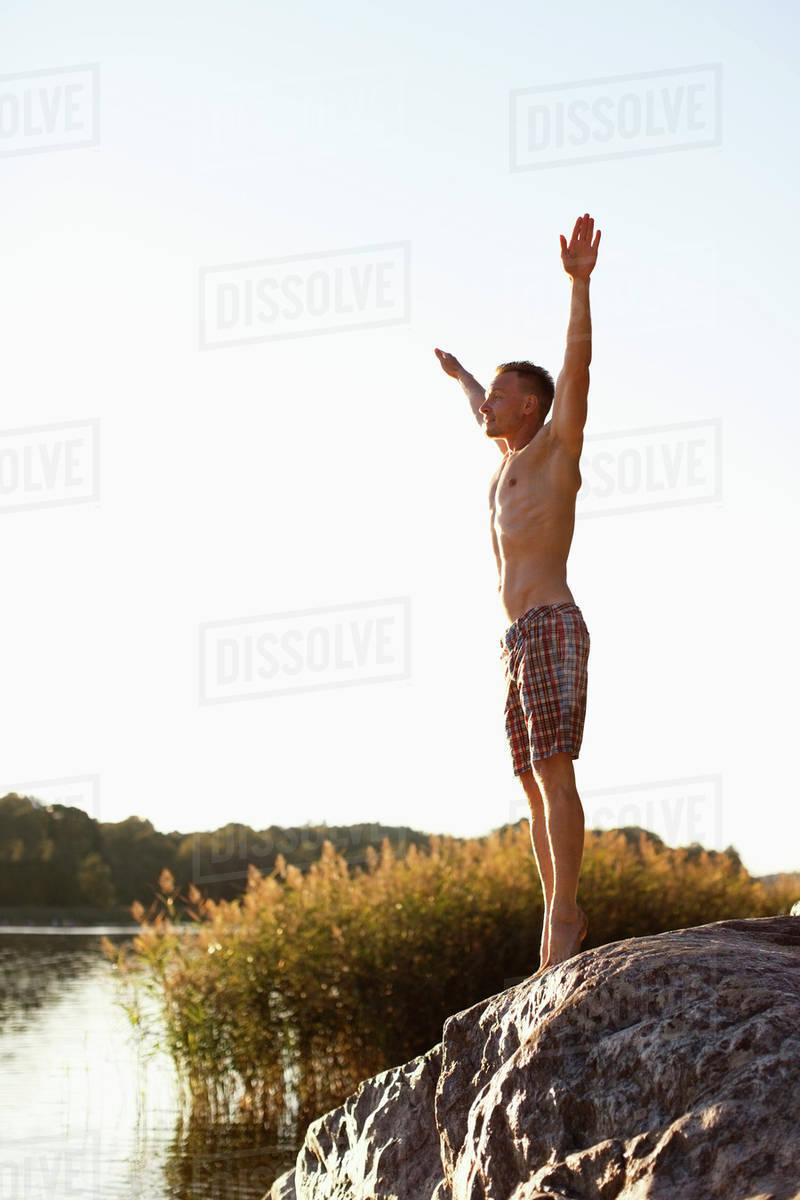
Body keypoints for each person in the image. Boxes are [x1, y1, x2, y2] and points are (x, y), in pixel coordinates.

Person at [434, 212, 601, 973]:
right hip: (514, 639)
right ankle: (550, 920)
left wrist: (579, 286)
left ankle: (567, 917)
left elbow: (577, 366)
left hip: (552, 622)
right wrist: (467, 376)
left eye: (501, 396)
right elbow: (479, 413)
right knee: (533, 785)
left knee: (555, 770)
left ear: (529, 406)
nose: (489, 406)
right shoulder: (503, 461)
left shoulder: (553, 448)